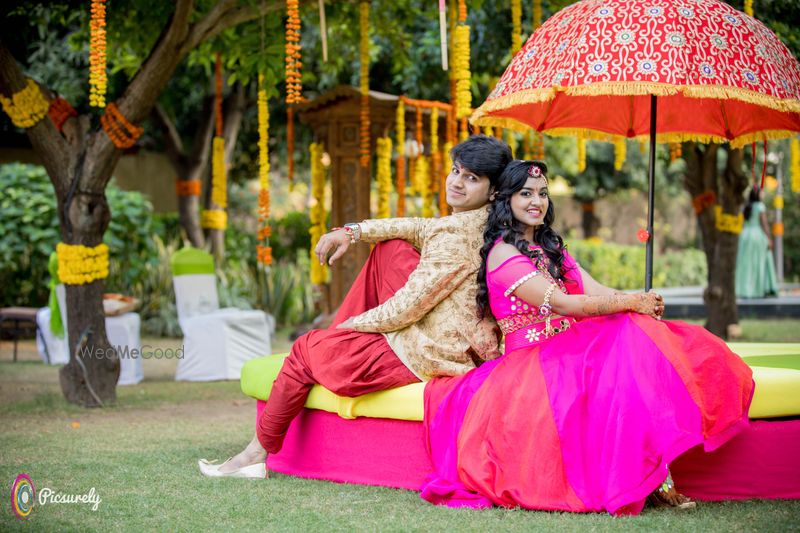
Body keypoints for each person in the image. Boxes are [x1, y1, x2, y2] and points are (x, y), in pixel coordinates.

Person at [421, 160, 755, 515]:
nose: (537, 201)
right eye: (525, 194)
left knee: (633, 332)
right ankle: (649, 481)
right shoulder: (504, 253)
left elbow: (595, 290)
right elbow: (564, 304)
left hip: (568, 348)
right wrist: (627, 302)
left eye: (543, 194)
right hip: (530, 364)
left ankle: (657, 475)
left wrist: (637, 302)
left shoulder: (552, 248)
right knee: (623, 341)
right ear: (506, 200)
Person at [198, 135, 512, 478]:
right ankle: (333, 347)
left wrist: (351, 326)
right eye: (456, 171)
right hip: (450, 335)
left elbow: (403, 310)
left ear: (493, 190)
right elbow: (416, 227)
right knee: (391, 249)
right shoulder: (478, 225)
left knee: (305, 348)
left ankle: (253, 456)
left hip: (427, 352)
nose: (456, 182)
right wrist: (351, 232)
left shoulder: (454, 239)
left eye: (471, 178)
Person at [736, 187, 778, 298]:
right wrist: (769, 238)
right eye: (762, 192)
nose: (763, 194)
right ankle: (759, 289)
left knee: (745, 264)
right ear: (757, 194)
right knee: (758, 263)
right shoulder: (760, 206)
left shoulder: (746, 206)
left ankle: (744, 289)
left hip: (744, 236)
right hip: (756, 236)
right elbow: (764, 224)